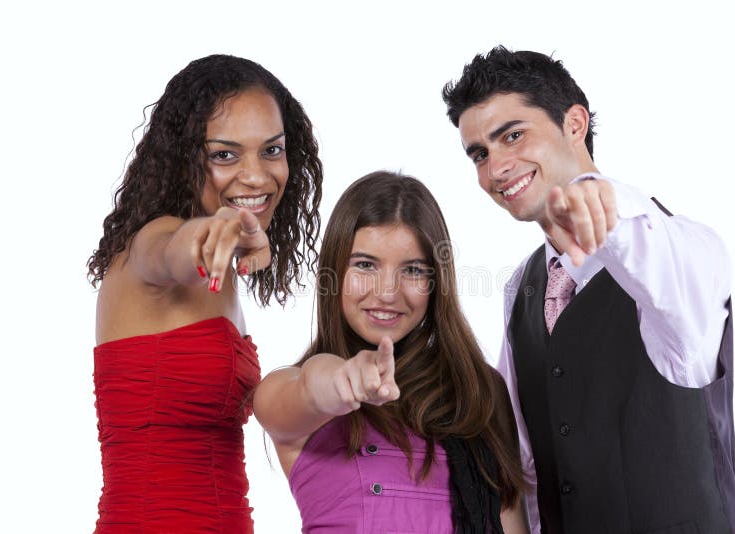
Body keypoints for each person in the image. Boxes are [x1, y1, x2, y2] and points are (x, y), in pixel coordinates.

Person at [442, 47, 735, 534]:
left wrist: (600, 200)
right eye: (480, 153)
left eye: (513, 135)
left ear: (574, 124)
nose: (496, 168)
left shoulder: (688, 251)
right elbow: (528, 468)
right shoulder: (520, 289)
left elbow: (657, 260)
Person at [87, 54, 322, 533]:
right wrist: (216, 229)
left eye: (272, 150)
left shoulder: (224, 271)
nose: (256, 176)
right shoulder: (150, 247)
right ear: (182, 158)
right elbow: (173, 250)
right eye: (225, 155)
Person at [254, 171, 527, 533]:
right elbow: (310, 387)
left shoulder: (479, 391)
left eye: (412, 270)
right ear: (334, 271)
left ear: (435, 282)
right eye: (365, 265)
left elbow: (510, 521)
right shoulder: (283, 391)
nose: (387, 292)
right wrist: (343, 380)